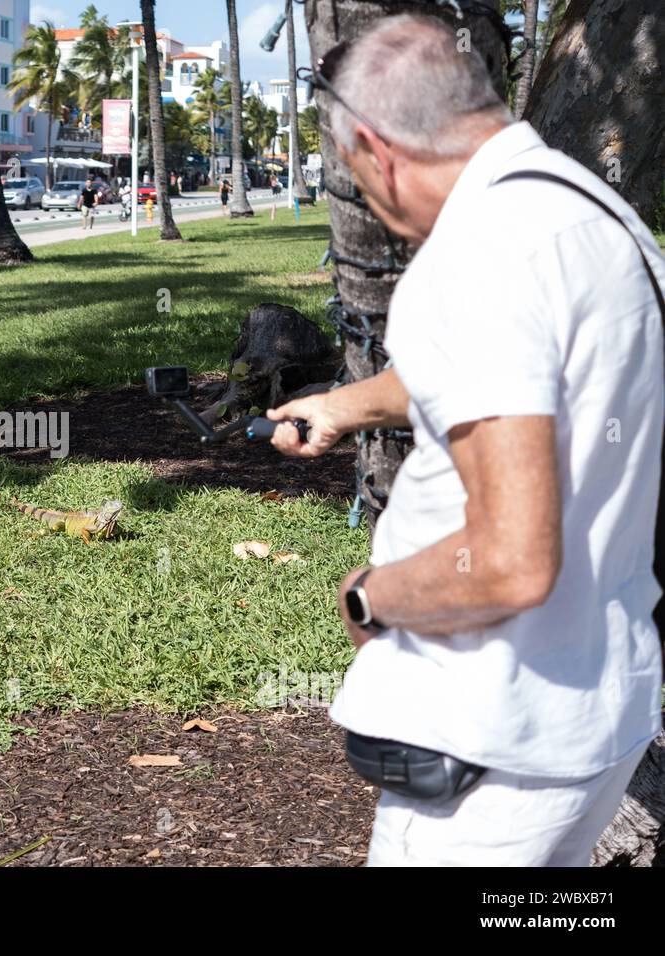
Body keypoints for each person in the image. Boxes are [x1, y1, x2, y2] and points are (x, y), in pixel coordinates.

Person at [266, 14, 664, 866]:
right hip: (599, 714)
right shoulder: (597, 220)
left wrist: (373, 595)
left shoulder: (476, 256)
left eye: (353, 176)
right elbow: (505, 371)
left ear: (375, 149)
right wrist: (343, 406)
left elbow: (511, 561)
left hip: (488, 745)